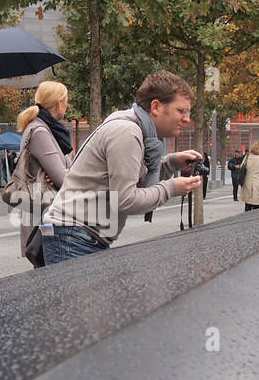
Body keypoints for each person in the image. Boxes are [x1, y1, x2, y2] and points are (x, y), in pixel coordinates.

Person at [41, 71, 203, 264]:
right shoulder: (127, 132)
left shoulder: (138, 129)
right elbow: (125, 199)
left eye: (189, 112)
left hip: (76, 235)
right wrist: (171, 188)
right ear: (156, 107)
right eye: (181, 111)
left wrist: (171, 163)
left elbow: (134, 178)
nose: (187, 119)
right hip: (73, 237)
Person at [12, 80, 72, 262]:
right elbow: (64, 178)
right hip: (44, 215)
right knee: (53, 275)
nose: (67, 105)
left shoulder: (46, 129)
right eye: (66, 100)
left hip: (45, 212)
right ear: (59, 102)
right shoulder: (40, 131)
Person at [239, 141, 259, 211]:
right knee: (258, 205)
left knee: (248, 204)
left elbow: (242, 167)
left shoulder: (247, 157)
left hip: (248, 181)